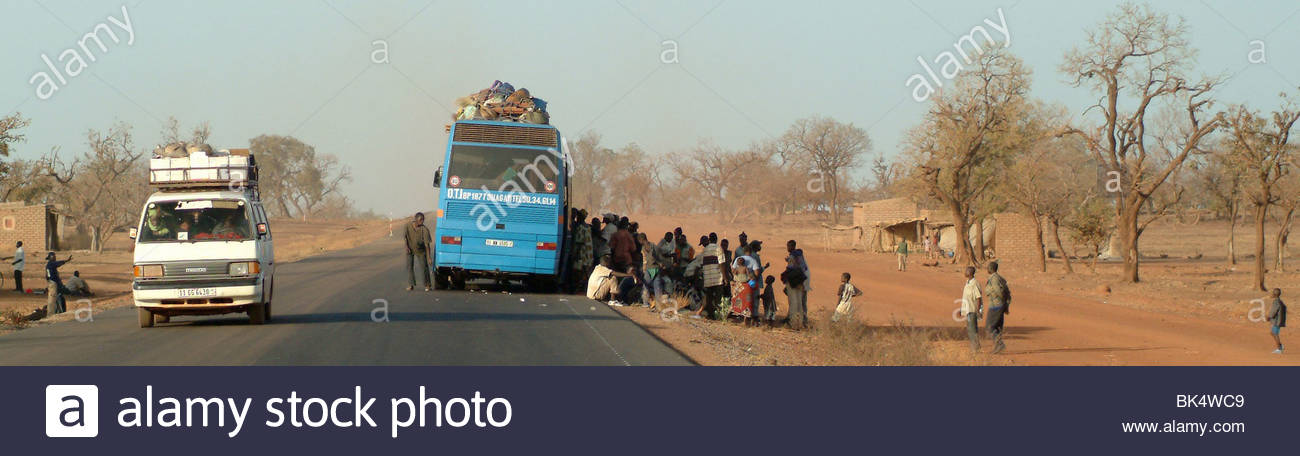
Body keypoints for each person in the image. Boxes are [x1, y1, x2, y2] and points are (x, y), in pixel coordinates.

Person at [984, 261, 1011, 354]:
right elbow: (1008, 292)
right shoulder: (1000, 278)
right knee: (998, 327)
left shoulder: (994, 279)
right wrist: (1006, 304)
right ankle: (998, 346)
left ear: (991, 269)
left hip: (995, 305)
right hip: (1001, 305)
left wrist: (1001, 300)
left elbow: (998, 291)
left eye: (988, 267)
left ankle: (999, 344)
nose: (987, 269)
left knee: (989, 327)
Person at [780, 249, 809, 330]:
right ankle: (800, 323)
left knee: (794, 304)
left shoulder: (793, 269)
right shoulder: (803, 268)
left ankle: (795, 324)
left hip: (794, 286)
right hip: (799, 286)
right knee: (800, 304)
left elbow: (787, 276)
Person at [404, 212, 433, 291]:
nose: (422, 221)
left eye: (423, 220)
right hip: (410, 249)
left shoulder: (424, 229)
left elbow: (427, 245)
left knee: (424, 267)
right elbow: (405, 237)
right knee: (409, 266)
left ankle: (427, 285)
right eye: (420, 220)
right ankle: (411, 285)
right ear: (416, 219)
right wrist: (406, 247)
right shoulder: (407, 226)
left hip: (421, 251)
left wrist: (429, 257)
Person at [569, 210, 593, 293]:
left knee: (578, 272)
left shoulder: (580, 227)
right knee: (585, 272)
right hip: (588, 253)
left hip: (581, 254)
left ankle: (577, 289)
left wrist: (575, 254)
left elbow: (579, 242)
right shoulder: (588, 227)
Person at [960, 266, 983, 353]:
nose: (965, 272)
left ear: (970, 273)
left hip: (973, 310)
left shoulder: (974, 284)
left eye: (966, 271)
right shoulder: (968, 282)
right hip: (968, 310)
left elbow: (978, 298)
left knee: (973, 329)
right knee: (970, 329)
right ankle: (975, 346)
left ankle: (975, 347)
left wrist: (978, 311)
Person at [1267, 288, 1287, 354]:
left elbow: (1273, 311)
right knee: (1272, 333)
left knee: (1275, 334)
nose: (1272, 293)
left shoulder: (1276, 302)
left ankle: (1279, 349)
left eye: (1273, 292)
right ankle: (1280, 345)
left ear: (1274, 294)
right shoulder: (1280, 301)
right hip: (1278, 320)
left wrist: (1269, 317)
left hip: (1276, 321)